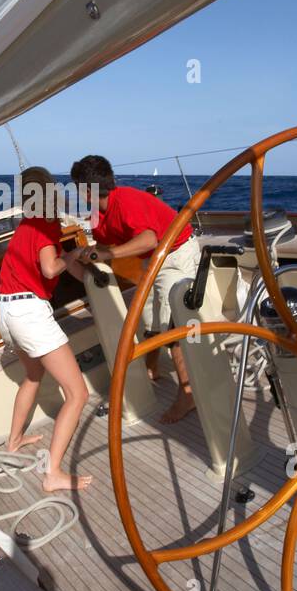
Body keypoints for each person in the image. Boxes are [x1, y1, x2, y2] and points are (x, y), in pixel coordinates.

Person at [69, 154, 201, 424]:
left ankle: (187, 393)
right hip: (153, 259)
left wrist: (107, 255)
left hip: (176, 253)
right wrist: (90, 253)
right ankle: (152, 368)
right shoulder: (98, 214)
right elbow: (106, 246)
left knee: (172, 325)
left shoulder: (126, 201)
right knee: (150, 317)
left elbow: (149, 238)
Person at [0, 167, 94, 491]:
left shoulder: (25, 227)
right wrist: (79, 252)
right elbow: (52, 266)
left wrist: (81, 266)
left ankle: (13, 440)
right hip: (28, 312)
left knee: (34, 375)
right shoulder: (47, 224)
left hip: (5, 310)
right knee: (77, 393)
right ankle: (53, 474)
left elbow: (59, 262)